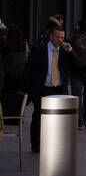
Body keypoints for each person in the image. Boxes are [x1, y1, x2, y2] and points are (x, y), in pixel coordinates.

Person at [22, 22, 74, 152]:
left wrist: (70, 51)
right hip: (42, 88)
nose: (60, 40)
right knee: (39, 116)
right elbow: (29, 69)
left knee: (57, 118)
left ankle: (53, 144)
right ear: (50, 36)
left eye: (62, 37)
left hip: (58, 88)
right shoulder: (39, 49)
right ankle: (36, 145)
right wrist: (25, 88)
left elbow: (77, 64)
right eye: (57, 37)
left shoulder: (65, 51)